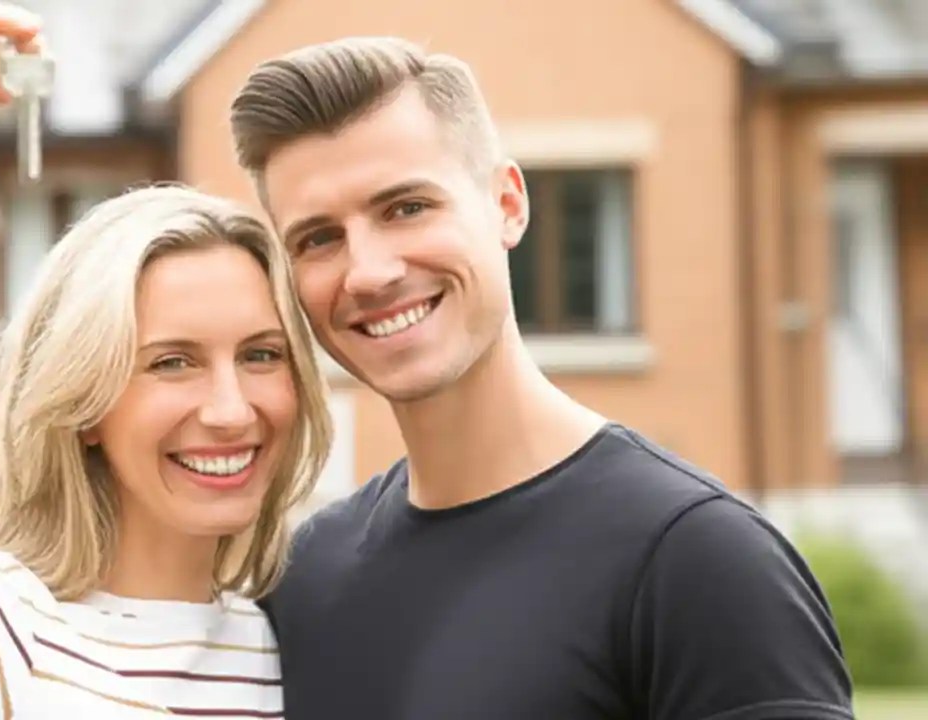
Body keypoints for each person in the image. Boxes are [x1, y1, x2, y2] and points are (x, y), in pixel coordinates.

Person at [230, 36, 856, 719]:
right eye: (319, 238)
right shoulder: (306, 577)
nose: (369, 273)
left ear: (507, 204)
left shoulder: (696, 559)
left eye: (406, 208)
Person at [0, 3, 331, 718]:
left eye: (261, 355)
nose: (230, 409)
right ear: (85, 405)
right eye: (171, 362)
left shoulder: (296, 646)